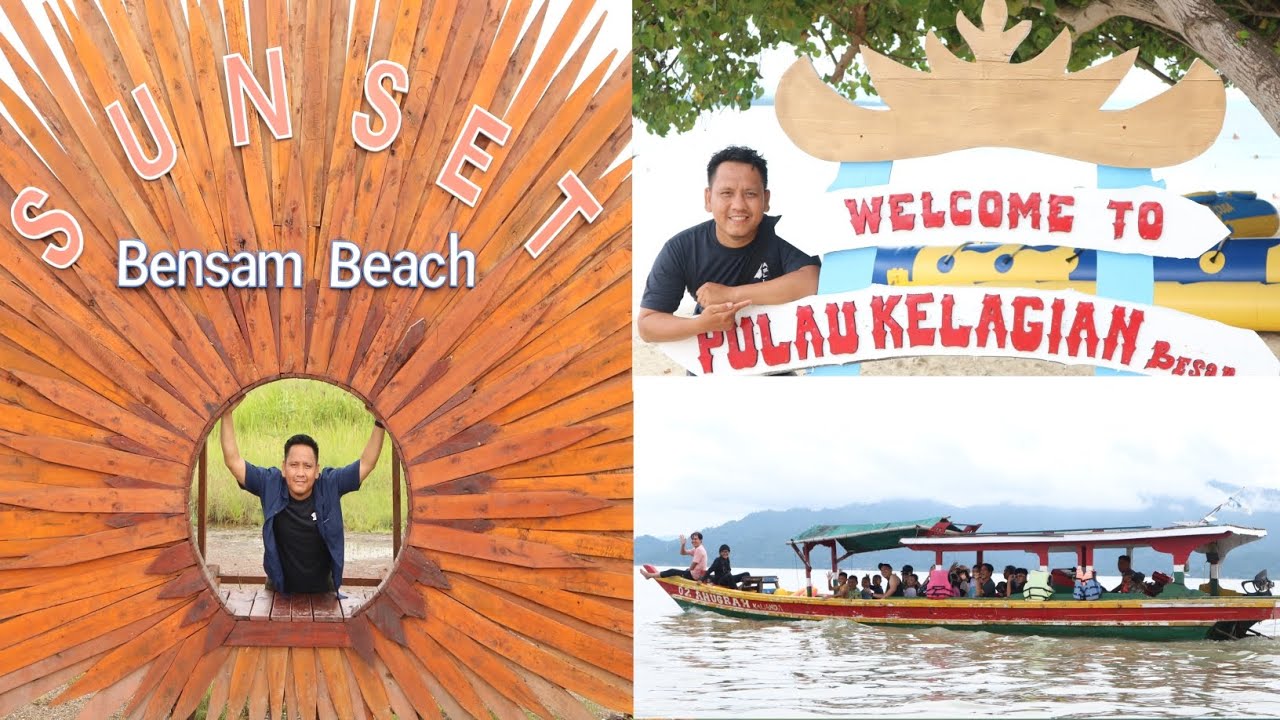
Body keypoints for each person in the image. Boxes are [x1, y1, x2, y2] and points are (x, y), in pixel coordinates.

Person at [637, 145, 821, 343]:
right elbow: (647, 326)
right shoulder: (681, 248)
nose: (739, 205)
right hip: (712, 360)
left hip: (776, 359)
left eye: (750, 194)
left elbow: (813, 281)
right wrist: (701, 324)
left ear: (766, 199)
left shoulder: (784, 231)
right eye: (726, 193)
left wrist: (731, 294)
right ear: (708, 199)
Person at [220, 398, 386, 595]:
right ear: (283, 468)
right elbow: (233, 462)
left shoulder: (329, 485)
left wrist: (379, 422)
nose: (300, 473)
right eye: (293, 465)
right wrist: (227, 414)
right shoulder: (270, 483)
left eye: (307, 466)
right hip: (278, 589)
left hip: (324, 589)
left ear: (317, 470)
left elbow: (366, 464)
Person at [640, 532, 708, 581]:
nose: (693, 541)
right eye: (692, 539)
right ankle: (655, 575)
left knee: (672, 571)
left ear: (700, 540)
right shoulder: (697, 549)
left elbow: (693, 566)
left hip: (695, 576)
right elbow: (683, 553)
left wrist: (687, 571)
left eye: (695, 539)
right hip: (696, 574)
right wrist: (683, 545)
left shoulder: (699, 550)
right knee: (678, 572)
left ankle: (649, 575)